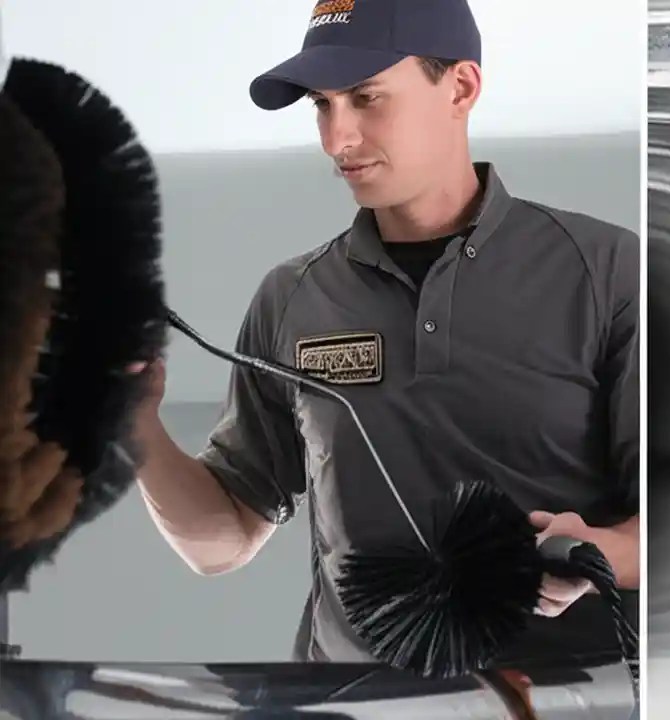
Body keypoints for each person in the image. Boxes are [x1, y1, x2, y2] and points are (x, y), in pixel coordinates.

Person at [129, 0, 640, 669]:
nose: (336, 137)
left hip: (568, 700)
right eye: (322, 103)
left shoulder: (605, 272)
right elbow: (222, 540)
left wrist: (601, 552)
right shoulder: (293, 299)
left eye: (367, 98)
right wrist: (131, 425)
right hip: (350, 703)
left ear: (460, 87)